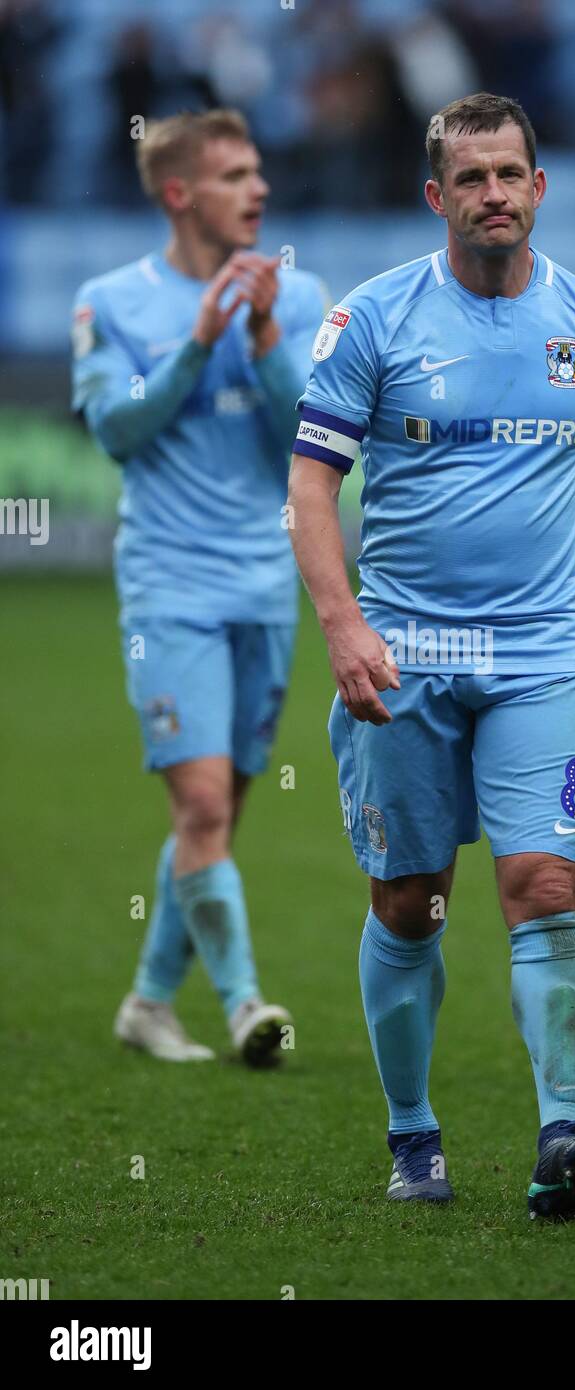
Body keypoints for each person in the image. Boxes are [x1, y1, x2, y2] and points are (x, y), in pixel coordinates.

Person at [289, 92, 575, 1218]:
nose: (494, 193)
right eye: (472, 178)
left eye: (511, 174)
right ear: (436, 196)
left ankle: (560, 1137)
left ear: (540, 189)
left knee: (545, 886)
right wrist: (344, 623)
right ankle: (415, 1138)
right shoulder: (371, 321)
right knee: (412, 901)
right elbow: (310, 486)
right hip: (400, 652)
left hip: (544, 650)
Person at [72, 110, 326, 1065]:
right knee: (206, 809)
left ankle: (145, 1004)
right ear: (180, 193)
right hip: (168, 585)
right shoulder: (111, 300)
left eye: (259, 171)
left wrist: (260, 339)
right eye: (234, 175)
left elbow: (310, 437)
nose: (259, 189)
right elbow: (116, 432)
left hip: (267, 583)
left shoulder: (296, 295)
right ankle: (245, 1007)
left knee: (214, 814)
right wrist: (194, 344)